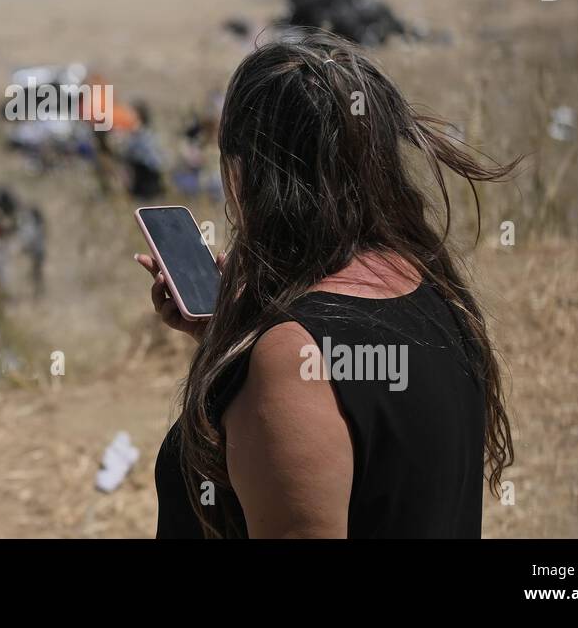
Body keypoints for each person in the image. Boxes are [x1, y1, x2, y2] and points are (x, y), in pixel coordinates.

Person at [136, 31, 515, 538]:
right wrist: (228, 343)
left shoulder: (291, 363)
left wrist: (263, 355)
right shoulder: (433, 291)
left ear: (247, 174)